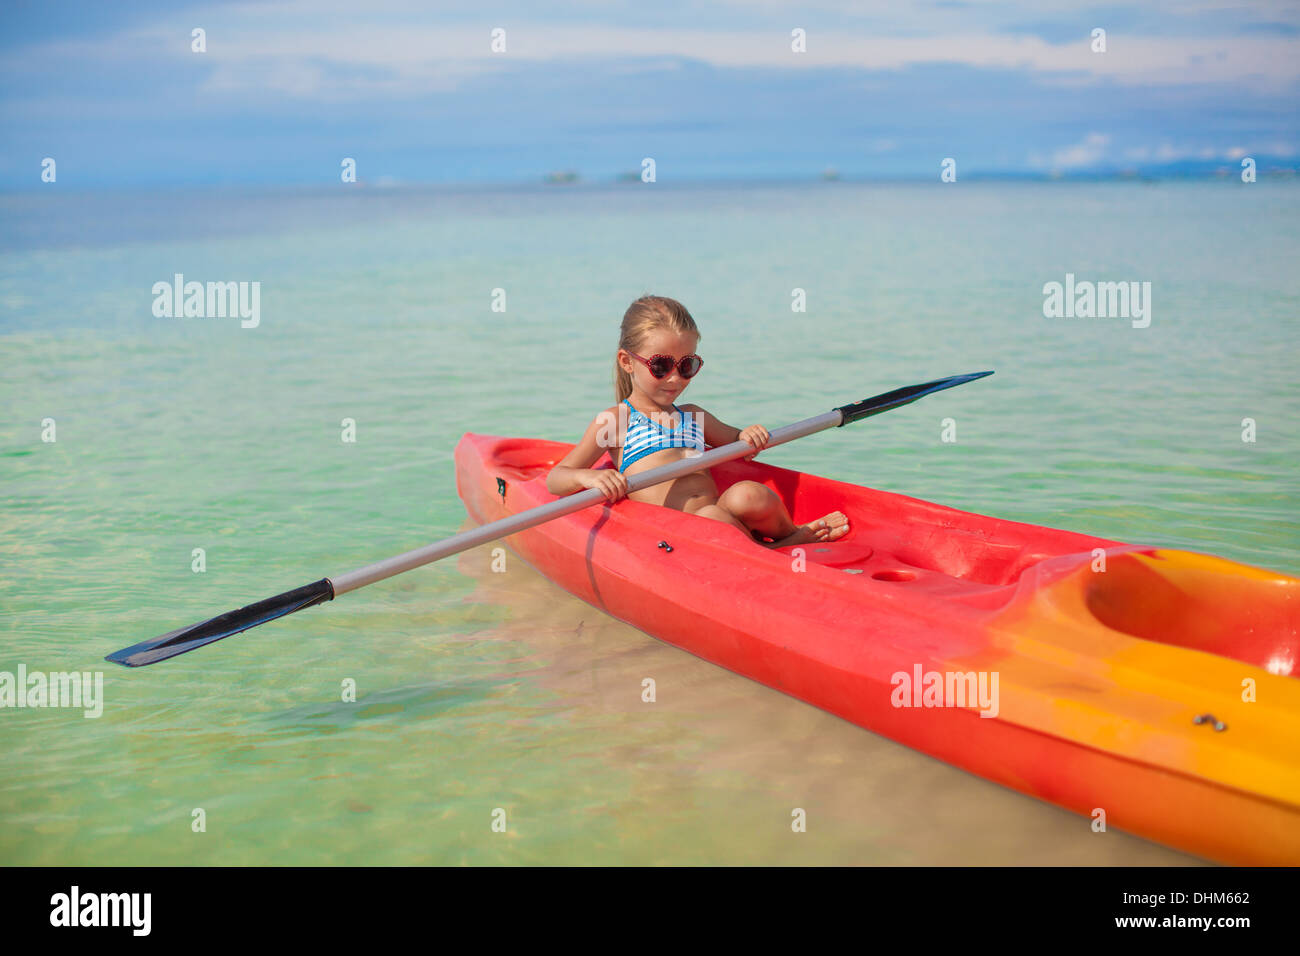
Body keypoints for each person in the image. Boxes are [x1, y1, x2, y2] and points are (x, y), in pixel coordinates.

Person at [545, 295, 849, 548]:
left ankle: (788, 534)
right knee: (710, 518)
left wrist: (750, 435)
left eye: (687, 365)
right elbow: (556, 478)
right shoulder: (616, 421)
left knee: (750, 493)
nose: (675, 378)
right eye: (661, 366)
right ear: (627, 362)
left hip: (717, 514)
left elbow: (739, 444)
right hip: (673, 534)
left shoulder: (693, 415)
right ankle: (769, 551)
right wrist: (589, 478)